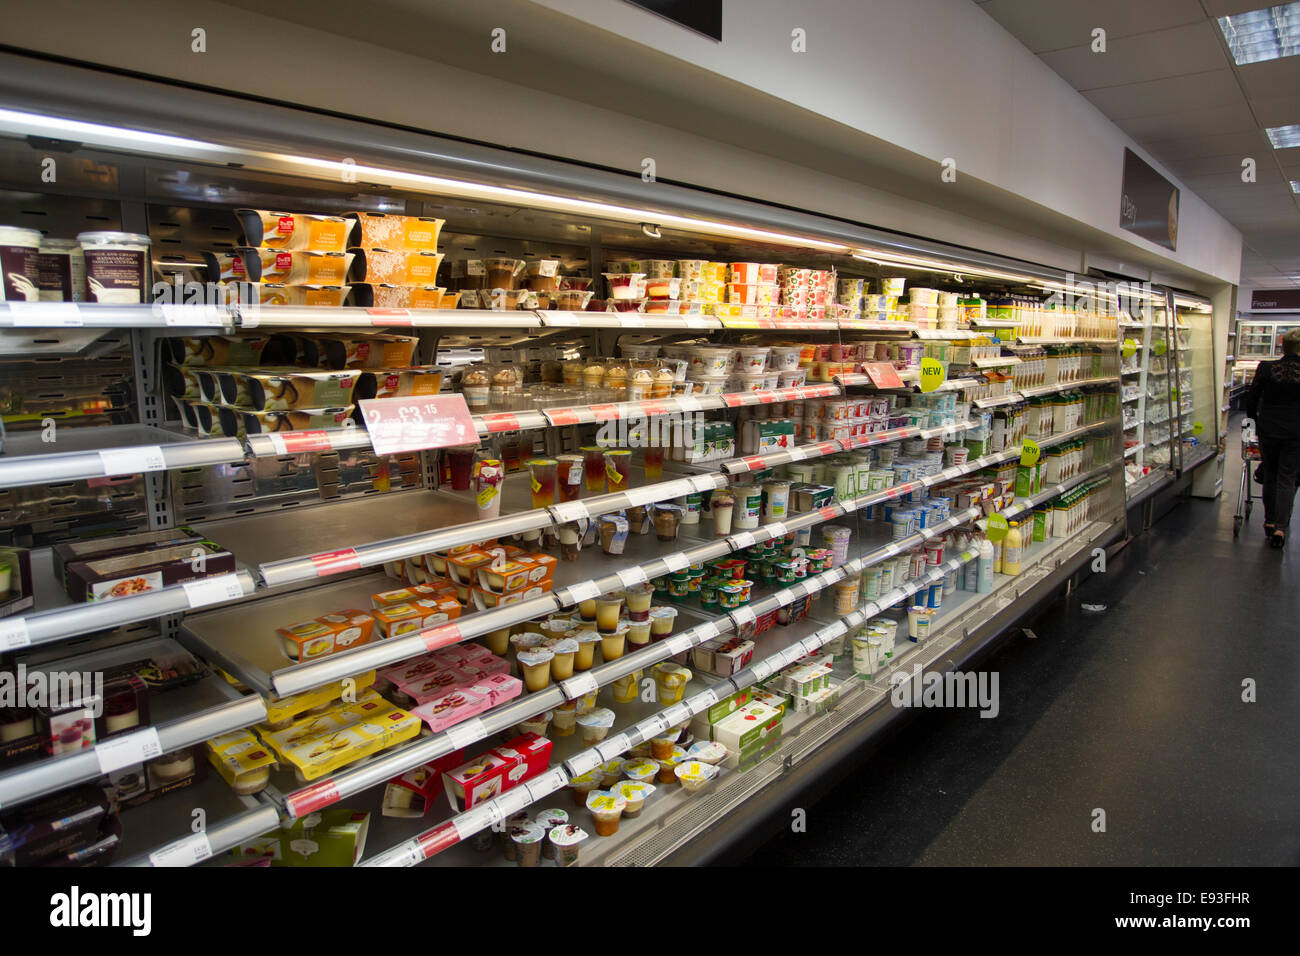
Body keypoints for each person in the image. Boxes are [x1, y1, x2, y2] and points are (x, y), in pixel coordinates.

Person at [1245, 327, 1300, 548]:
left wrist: (1253, 423)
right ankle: (1280, 527)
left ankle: (1268, 521)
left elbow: (1252, 398)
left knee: (1270, 475)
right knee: (1287, 478)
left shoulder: (1267, 368)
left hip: (1269, 429)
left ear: (1283, 346)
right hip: (1296, 431)